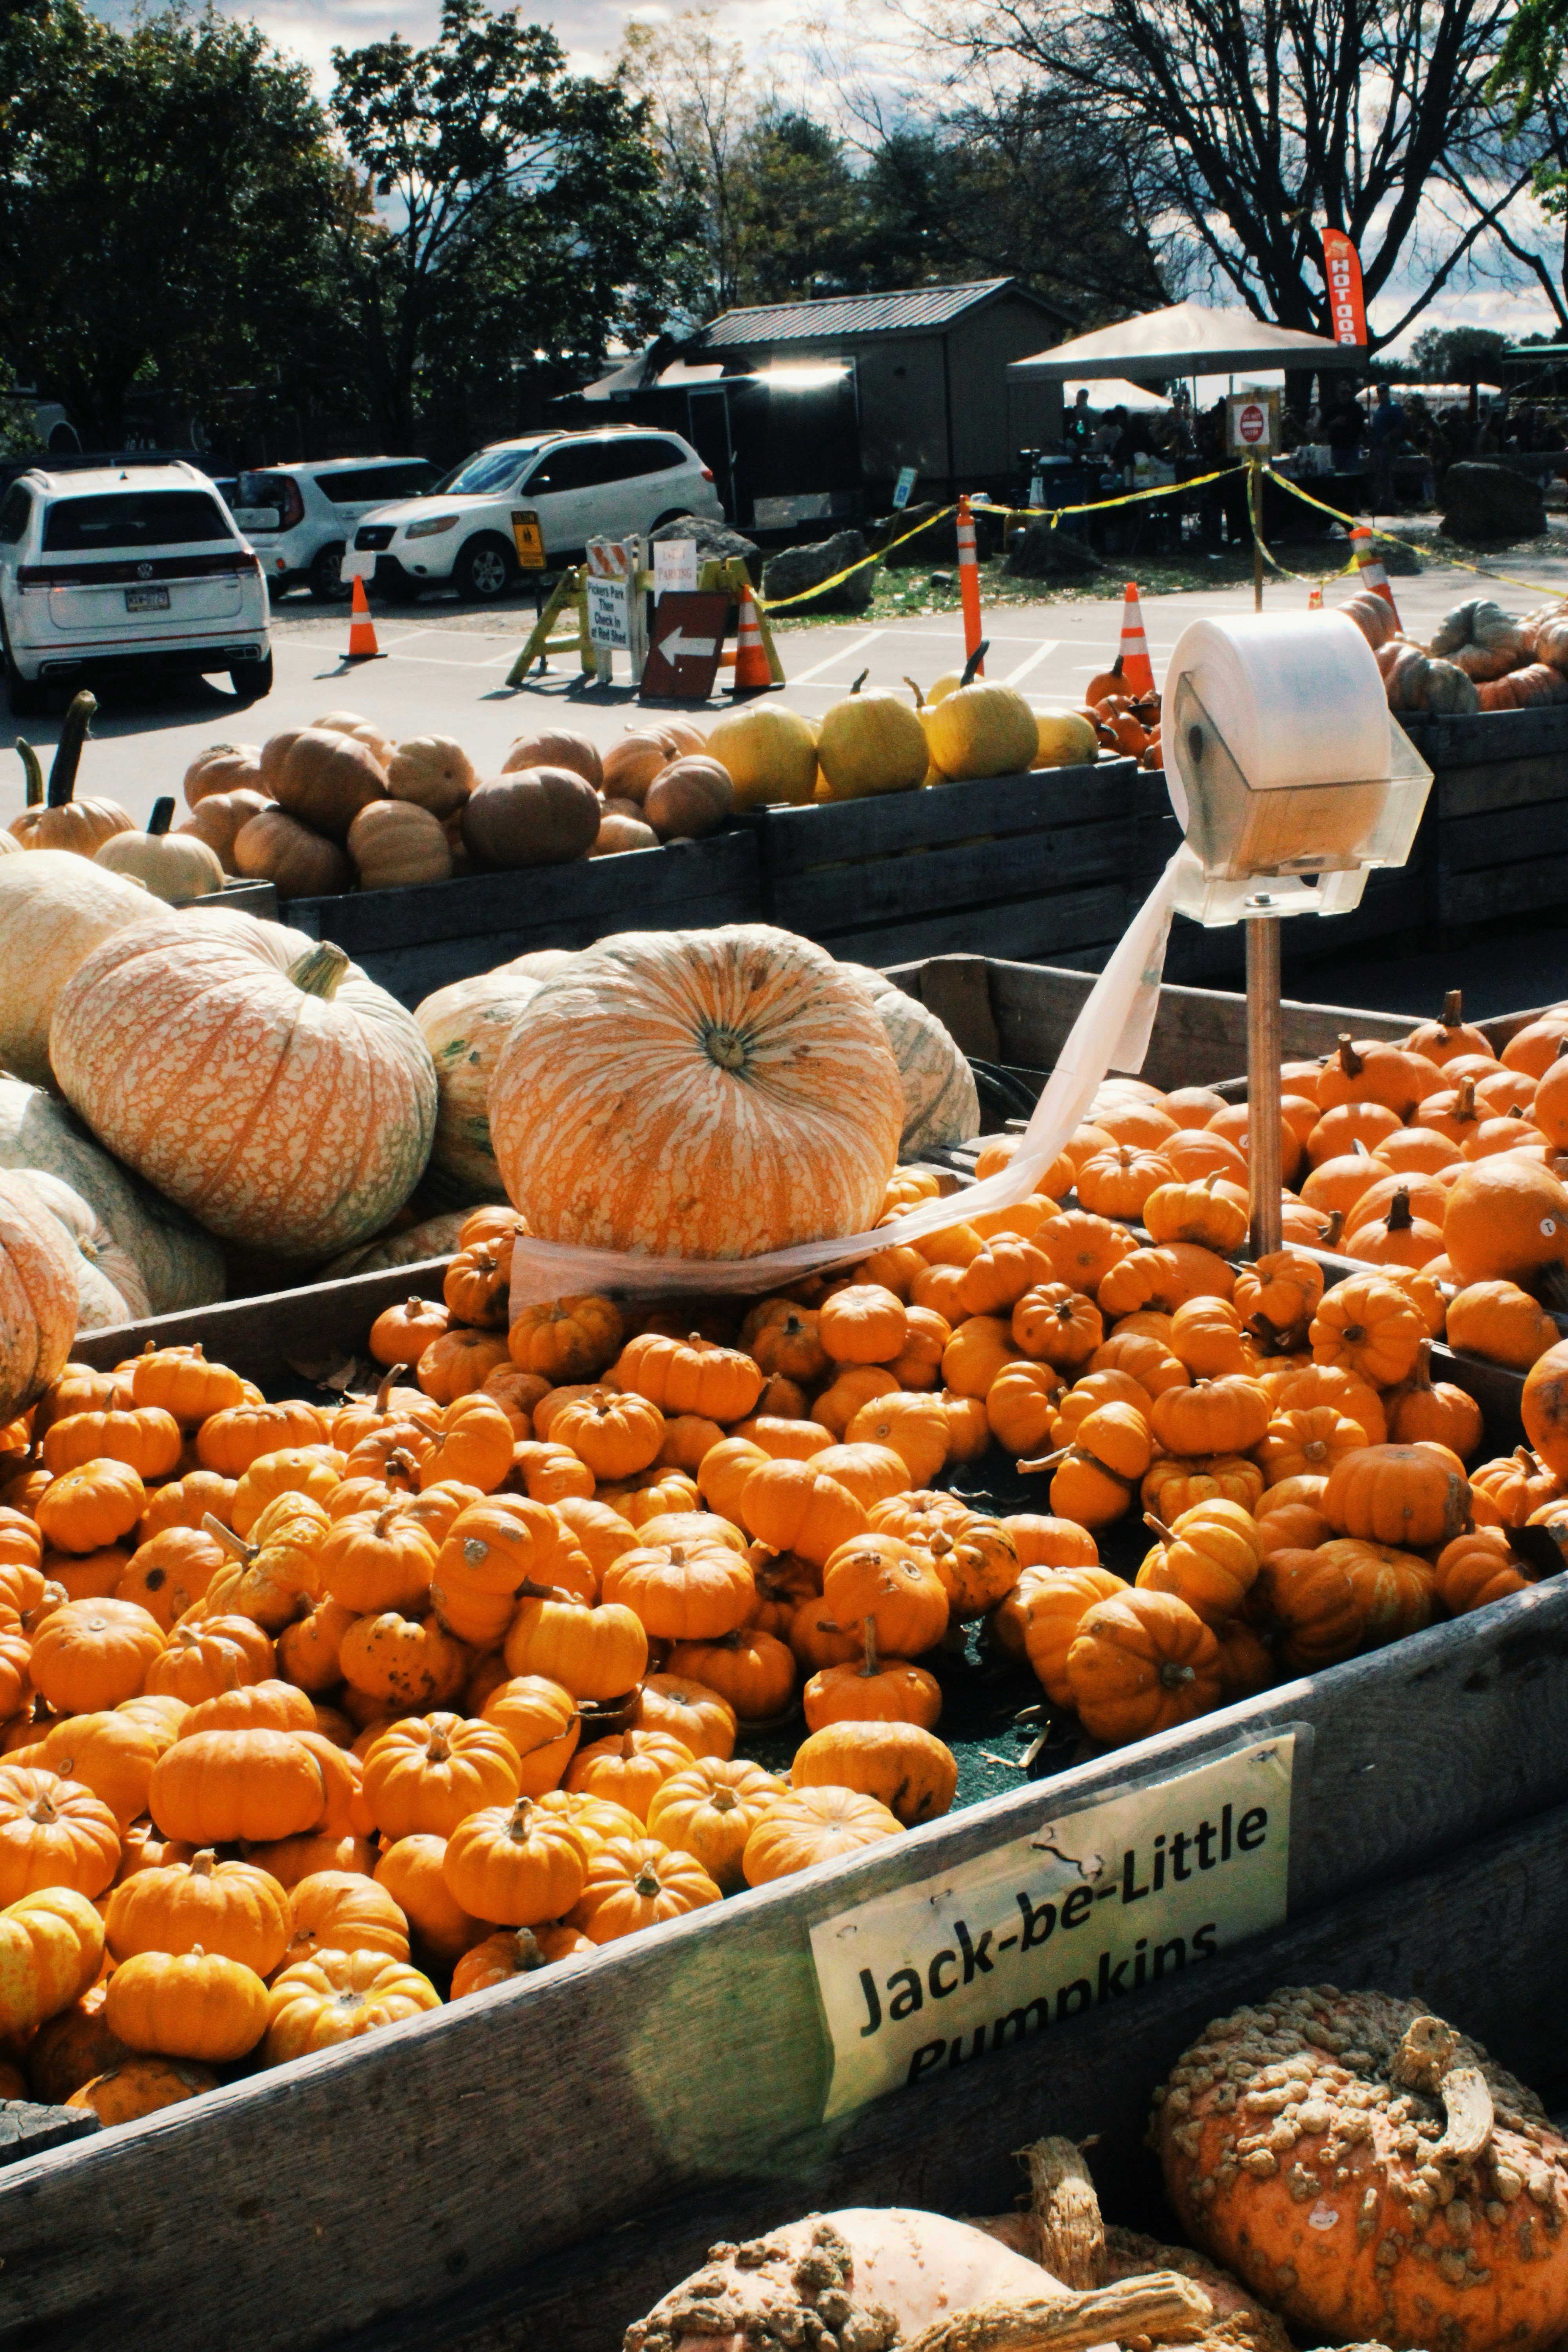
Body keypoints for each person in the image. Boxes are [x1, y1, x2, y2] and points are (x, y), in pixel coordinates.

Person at [1368, 381, 1406, 511]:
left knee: (1386, 476)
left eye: (1383, 392)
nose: (1380, 395)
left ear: (1388, 393)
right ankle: (1382, 505)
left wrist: (1389, 436)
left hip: (1389, 447)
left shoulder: (1394, 407)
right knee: (1380, 476)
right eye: (1379, 392)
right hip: (1378, 446)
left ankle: (1389, 505)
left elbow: (1401, 427)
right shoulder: (1379, 409)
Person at [1323, 385, 1366, 476]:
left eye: (1347, 392)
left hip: (1352, 449)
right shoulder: (1331, 408)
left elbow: (1363, 428)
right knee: (1334, 476)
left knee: (1352, 476)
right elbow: (1322, 426)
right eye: (1343, 392)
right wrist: (1334, 422)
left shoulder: (1357, 408)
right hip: (1336, 449)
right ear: (1338, 393)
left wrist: (1358, 444)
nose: (1345, 395)